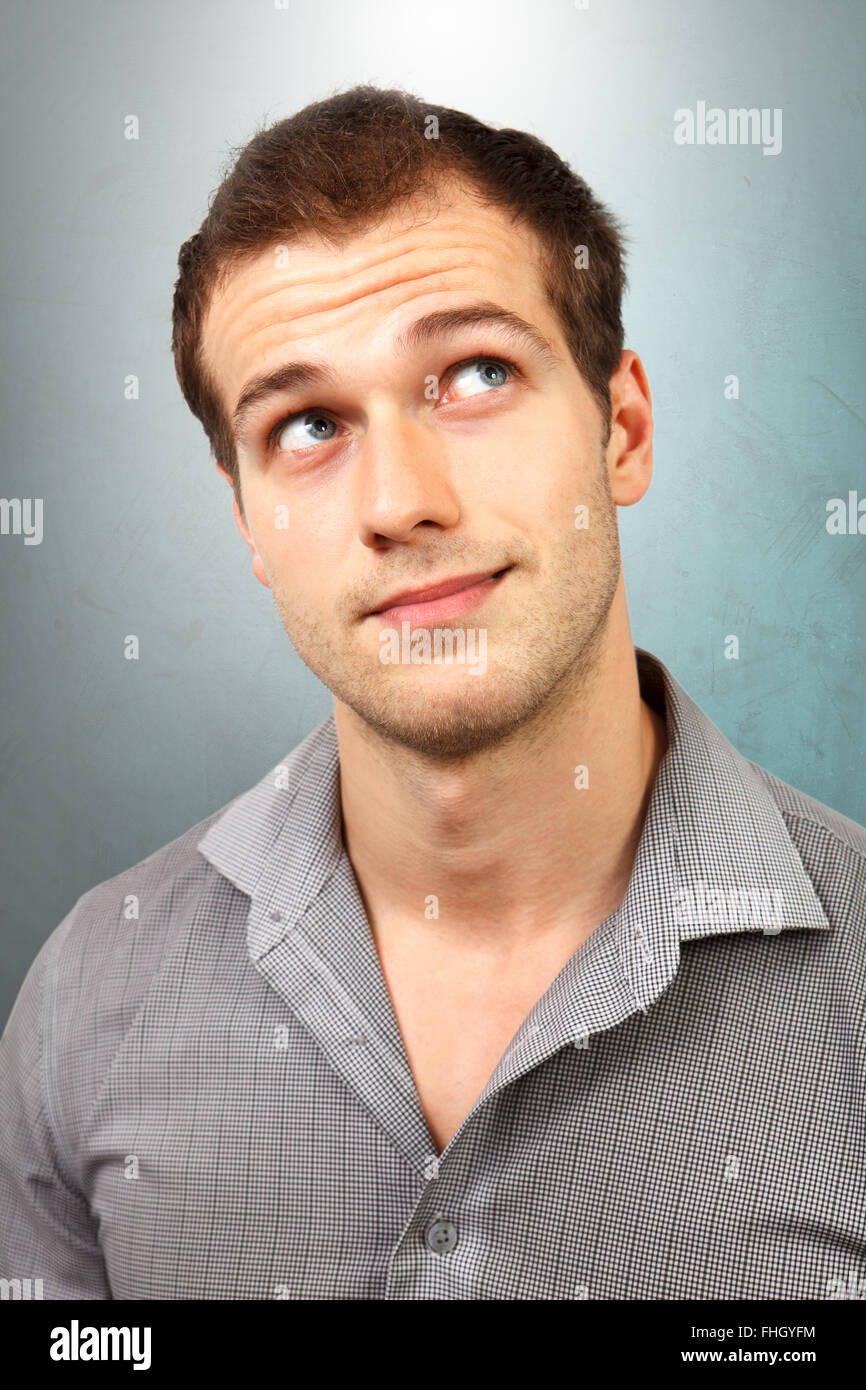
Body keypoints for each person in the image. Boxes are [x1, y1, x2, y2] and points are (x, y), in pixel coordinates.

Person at [1, 86, 863, 1302]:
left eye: (470, 373)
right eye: (306, 424)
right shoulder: (86, 992)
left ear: (620, 426)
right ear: (246, 515)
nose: (399, 499)